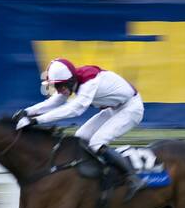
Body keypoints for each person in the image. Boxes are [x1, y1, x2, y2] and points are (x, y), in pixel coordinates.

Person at [13, 58, 146, 195]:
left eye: (60, 86)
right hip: (114, 108)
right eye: (56, 86)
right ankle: (96, 175)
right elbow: (56, 101)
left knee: (96, 143)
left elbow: (75, 110)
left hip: (131, 108)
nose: (59, 90)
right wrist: (27, 111)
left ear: (70, 82)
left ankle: (133, 178)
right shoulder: (73, 80)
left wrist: (36, 120)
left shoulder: (89, 82)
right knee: (80, 138)